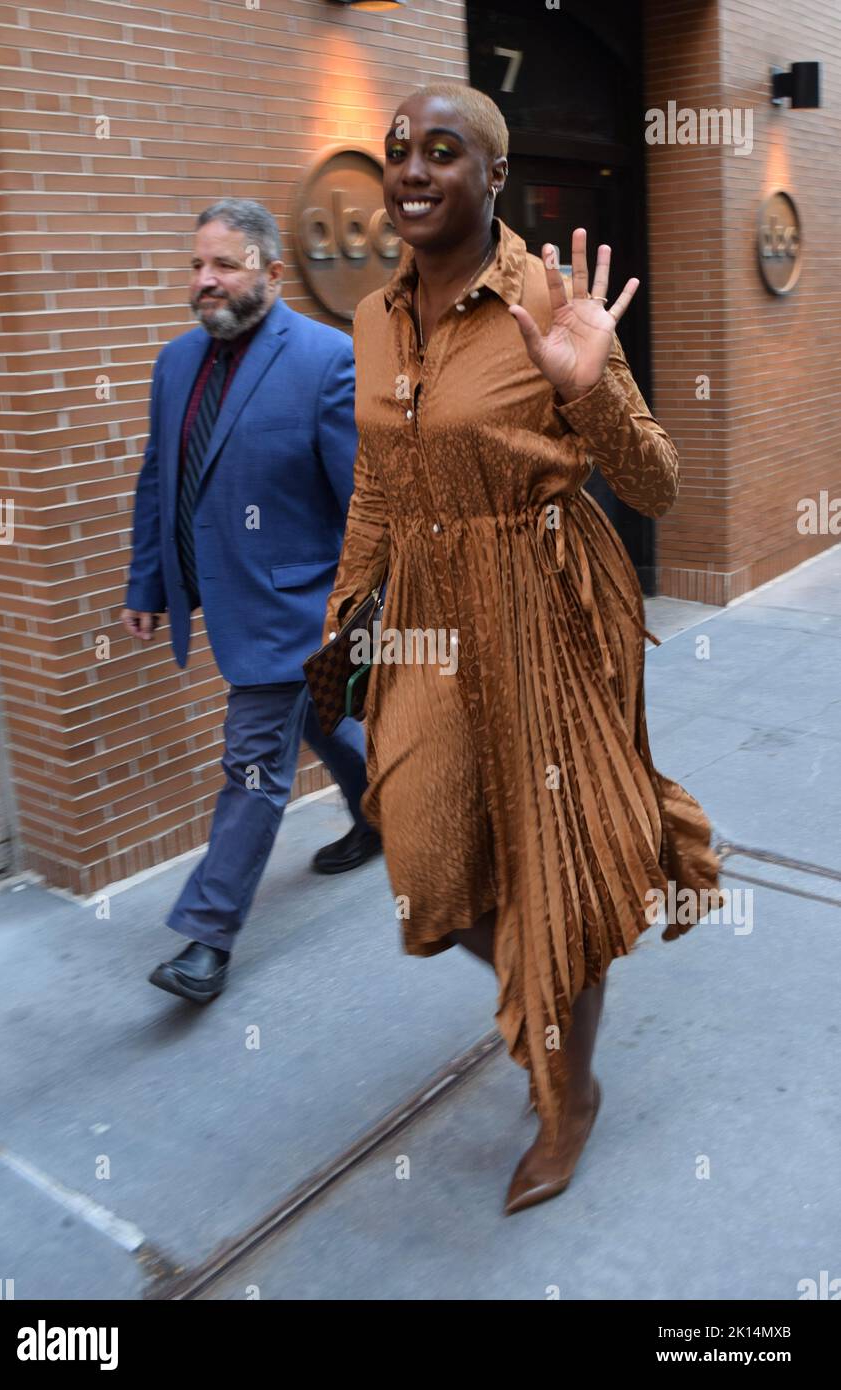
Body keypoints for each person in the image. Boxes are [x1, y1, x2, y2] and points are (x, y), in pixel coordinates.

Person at [320, 86, 721, 1214]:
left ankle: (567, 1090)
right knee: (426, 852)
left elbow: (656, 483)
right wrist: (346, 614)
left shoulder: (545, 296)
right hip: (430, 612)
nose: (410, 169)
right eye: (397, 149)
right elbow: (374, 484)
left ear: (493, 175)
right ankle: (546, 959)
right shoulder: (370, 318)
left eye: (441, 151)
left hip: (547, 602)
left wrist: (589, 393)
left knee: (550, 865)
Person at [122, 199, 381, 1005]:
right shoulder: (175, 363)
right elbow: (158, 478)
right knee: (322, 717)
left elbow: (363, 501)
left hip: (295, 606)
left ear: (271, 273)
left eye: (224, 265)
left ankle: (207, 938)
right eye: (197, 265)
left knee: (253, 767)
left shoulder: (324, 358)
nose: (205, 281)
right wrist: (150, 584)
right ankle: (386, 813)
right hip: (224, 597)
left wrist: (361, 610)